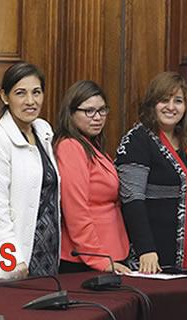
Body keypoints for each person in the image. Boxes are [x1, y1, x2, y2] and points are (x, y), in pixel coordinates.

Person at [116, 72, 187, 274]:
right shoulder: (137, 140)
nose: (171, 107)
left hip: (186, 255)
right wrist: (145, 249)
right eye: (164, 100)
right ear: (152, 104)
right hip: (151, 256)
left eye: (178, 101)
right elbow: (132, 200)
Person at [0, 62, 61, 279]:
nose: (30, 101)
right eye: (20, 93)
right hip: (20, 256)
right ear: (5, 97)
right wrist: (12, 257)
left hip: (50, 249)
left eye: (36, 92)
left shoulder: (43, 130)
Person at [53, 80, 132, 274]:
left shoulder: (93, 147)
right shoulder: (70, 147)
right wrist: (99, 260)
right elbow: (75, 211)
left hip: (110, 251)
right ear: (71, 113)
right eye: (89, 111)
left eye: (102, 110)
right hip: (87, 260)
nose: (97, 117)